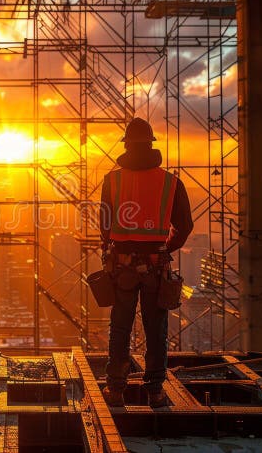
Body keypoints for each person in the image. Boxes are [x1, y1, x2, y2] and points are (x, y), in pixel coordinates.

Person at [99, 117, 193, 408]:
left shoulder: (112, 180)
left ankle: (115, 391)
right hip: (155, 266)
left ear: (126, 145)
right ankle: (154, 391)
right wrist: (167, 247)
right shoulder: (170, 182)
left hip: (123, 267)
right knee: (156, 329)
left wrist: (110, 247)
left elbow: (104, 224)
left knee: (120, 327)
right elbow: (184, 225)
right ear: (151, 144)